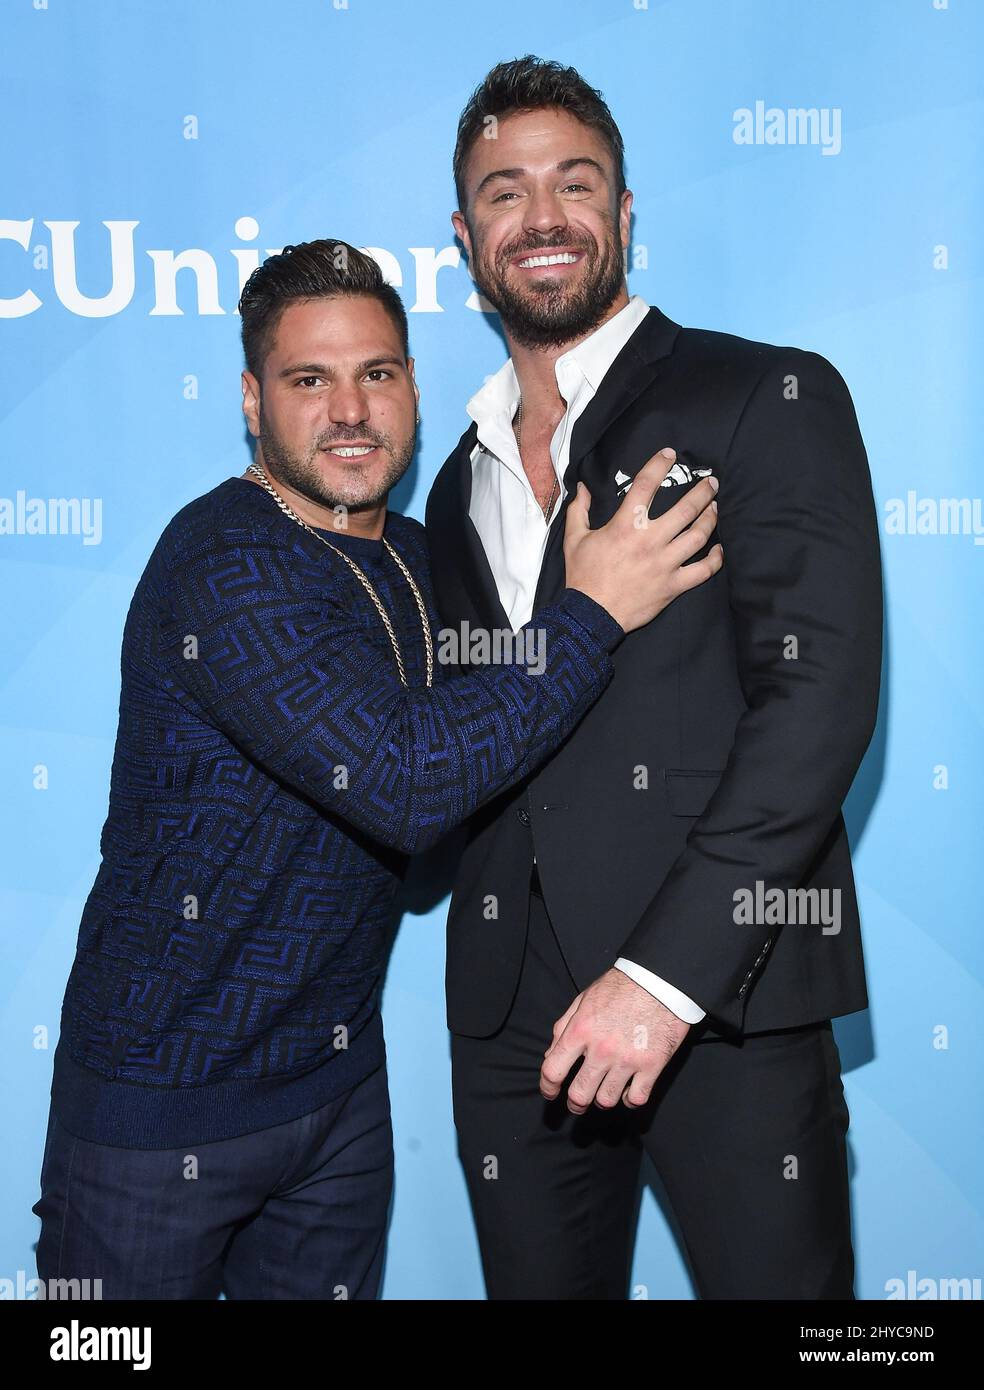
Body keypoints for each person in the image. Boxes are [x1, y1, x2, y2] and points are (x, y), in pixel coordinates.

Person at [32, 238, 721, 1300]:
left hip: (337, 1097)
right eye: (310, 380)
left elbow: (497, 726)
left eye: (377, 374)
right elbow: (405, 782)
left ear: (410, 386)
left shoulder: (412, 550)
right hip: (158, 1110)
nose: (349, 410)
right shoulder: (223, 561)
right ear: (253, 401)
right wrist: (592, 611)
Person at [425, 56, 883, 1300]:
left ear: (626, 215)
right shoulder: (453, 479)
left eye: (578, 183)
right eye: (506, 192)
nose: (546, 216)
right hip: (509, 1017)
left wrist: (663, 978)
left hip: (717, 997)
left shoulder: (761, 394)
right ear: (466, 238)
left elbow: (821, 700)